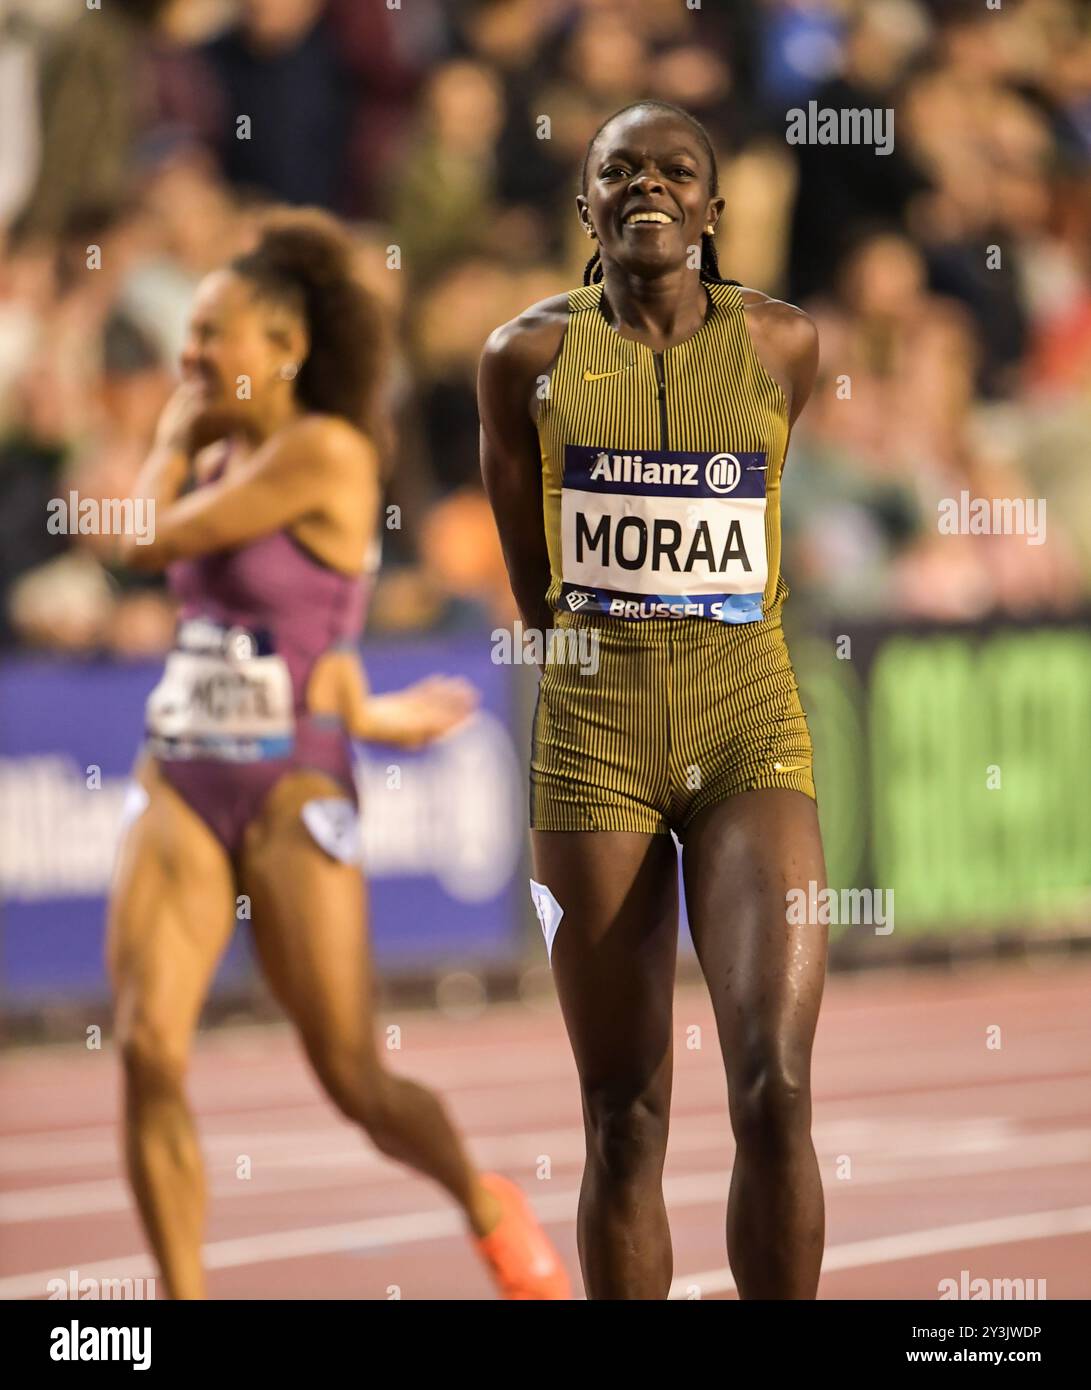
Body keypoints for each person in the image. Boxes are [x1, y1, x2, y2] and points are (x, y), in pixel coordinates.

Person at [110, 207, 570, 1300]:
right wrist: (370, 704)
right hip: (182, 765)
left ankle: (480, 1197)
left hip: (291, 788)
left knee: (355, 1078)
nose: (189, 354)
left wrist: (170, 438)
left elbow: (144, 537)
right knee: (143, 1049)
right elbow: (313, 631)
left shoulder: (326, 451)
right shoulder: (231, 448)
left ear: (284, 347)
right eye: (188, 331)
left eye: (211, 332)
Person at [478, 101, 828, 1299]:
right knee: (622, 1114)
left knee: (772, 1085)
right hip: (594, 746)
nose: (646, 186)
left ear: (713, 209)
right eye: (616, 170)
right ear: (584, 207)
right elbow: (532, 581)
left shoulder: (782, 346)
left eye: (674, 170)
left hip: (747, 728)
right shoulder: (520, 358)